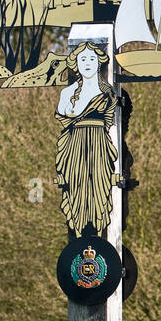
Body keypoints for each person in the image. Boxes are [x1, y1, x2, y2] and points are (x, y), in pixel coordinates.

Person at [54, 42, 117, 238]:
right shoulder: (67, 93)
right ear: (76, 63)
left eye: (92, 58)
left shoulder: (107, 92)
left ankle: (98, 230)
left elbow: (109, 120)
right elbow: (63, 117)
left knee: (99, 189)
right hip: (76, 146)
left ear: (99, 62)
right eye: (83, 59)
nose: (87, 63)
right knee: (77, 189)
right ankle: (80, 232)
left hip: (98, 144)